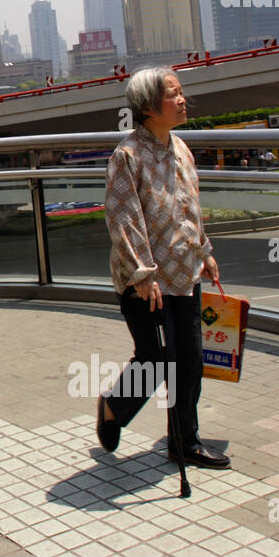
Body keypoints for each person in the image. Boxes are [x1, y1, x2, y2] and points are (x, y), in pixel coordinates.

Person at [96, 67, 230, 468]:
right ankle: (114, 406)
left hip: (184, 275)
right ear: (150, 107)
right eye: (174, 95)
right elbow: (123, 217)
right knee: (155, 357)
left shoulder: (181, 148)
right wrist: (142, 274)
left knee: (189, 359)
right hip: (146, 282)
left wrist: (203, 251)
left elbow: (189, 208)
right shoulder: (128, 156)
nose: (182, 100)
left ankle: (184, 441)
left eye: (181, 92)